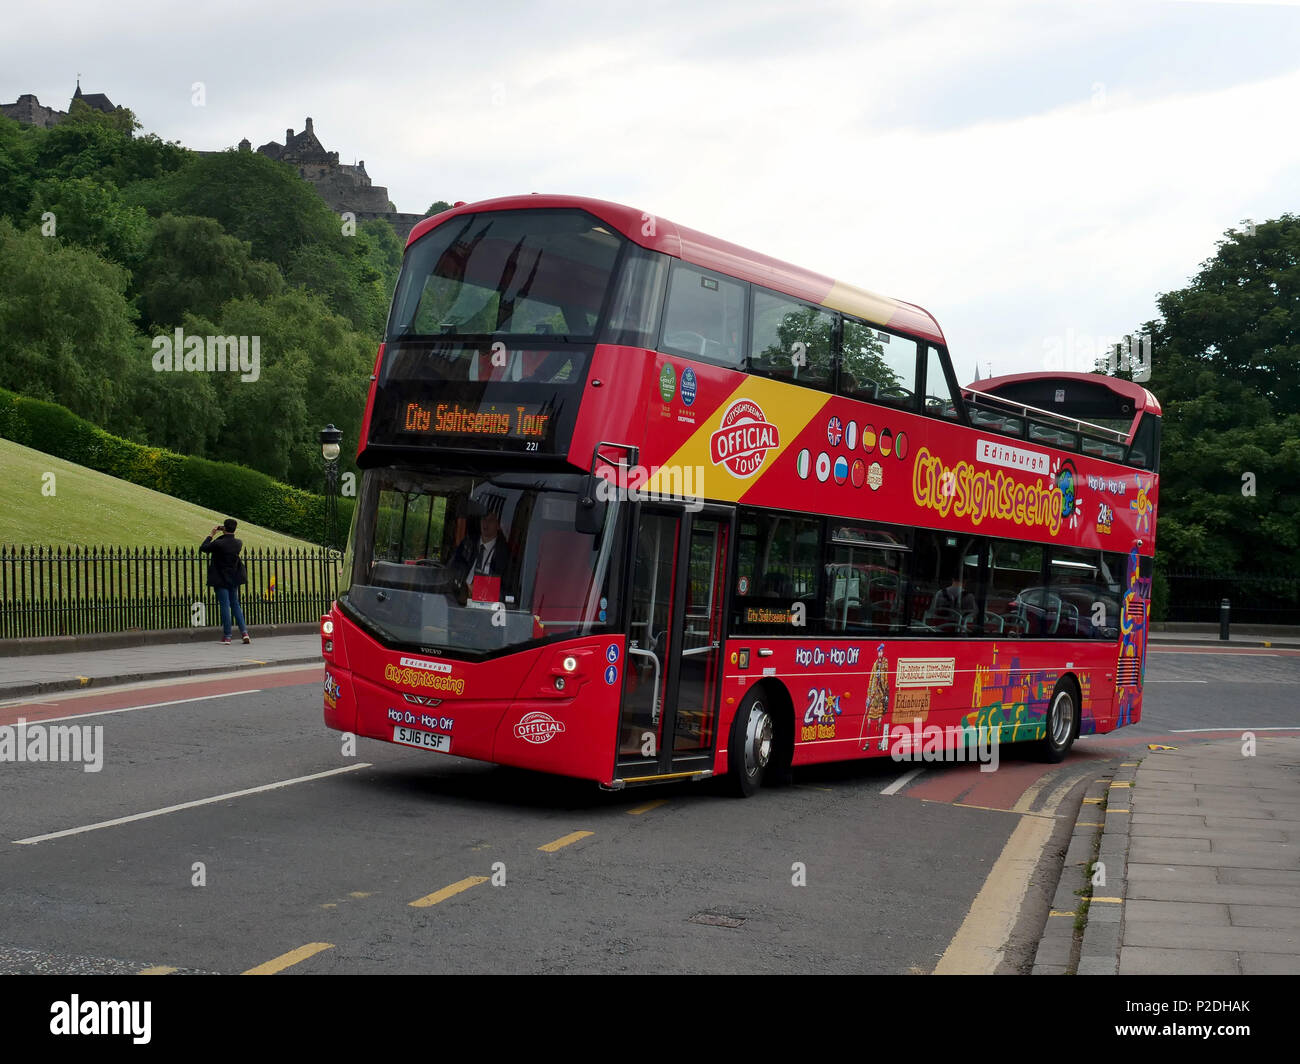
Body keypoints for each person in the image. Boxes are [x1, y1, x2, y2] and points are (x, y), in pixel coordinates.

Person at [201, 518, 249, 644]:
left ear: (224, 528)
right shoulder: (238, 543)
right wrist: (225, 533)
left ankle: (227, 635)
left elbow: (204, 548)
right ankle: (244, 632)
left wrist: (211, 534)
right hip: (233, 577)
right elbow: (228, 542)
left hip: (220, 578)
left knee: (225, 605)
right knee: (235, 604)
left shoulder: (219, 543)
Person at [449, 508, 513, 603]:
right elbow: (451, 570)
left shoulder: (504, 554)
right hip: (459, 602)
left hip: (486, 608)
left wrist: (477, 591)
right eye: (483, 519)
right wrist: (463, 588)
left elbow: (507, 592)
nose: (485, 523)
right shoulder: (467, 544)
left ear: (499, 525)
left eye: (490, 520)